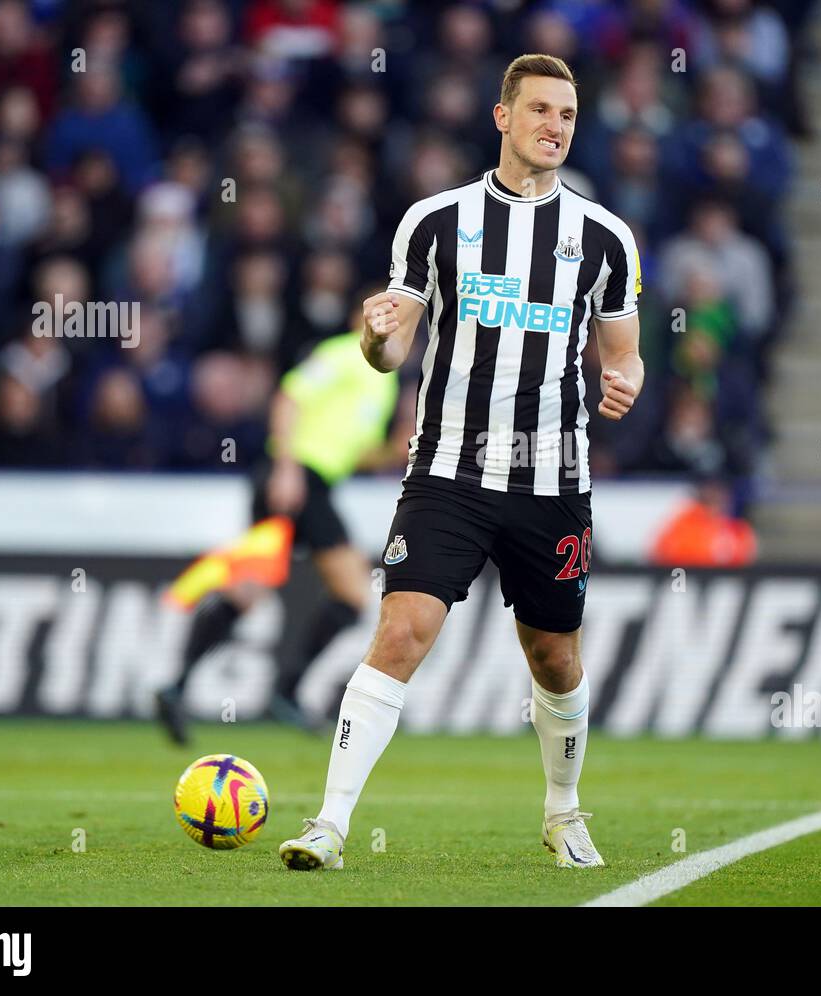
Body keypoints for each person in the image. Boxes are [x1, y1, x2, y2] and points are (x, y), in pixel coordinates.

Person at [277, 53, 644, 872]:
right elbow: (389, 347)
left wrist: (625, 382)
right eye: (541, 110)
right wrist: (376, 335)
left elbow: (625, 353)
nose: (556, 126)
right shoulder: (436, 221)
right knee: (402, 630)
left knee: (555, 656)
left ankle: (562, 810)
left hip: (553, 477)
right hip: (449, 469)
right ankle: (329, 826)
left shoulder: (604, 237)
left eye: (569, 114)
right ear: (503, 117)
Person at [154, 306, 399, 744]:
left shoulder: (384, 383)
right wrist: (286, 466)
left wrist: (397, 450)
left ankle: (179, 686)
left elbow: (350, 451)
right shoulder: (342, 355)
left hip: (315, 482)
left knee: (250, 591)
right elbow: (289, 397)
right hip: (296, 478)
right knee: (348, 592)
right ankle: (283, 690)